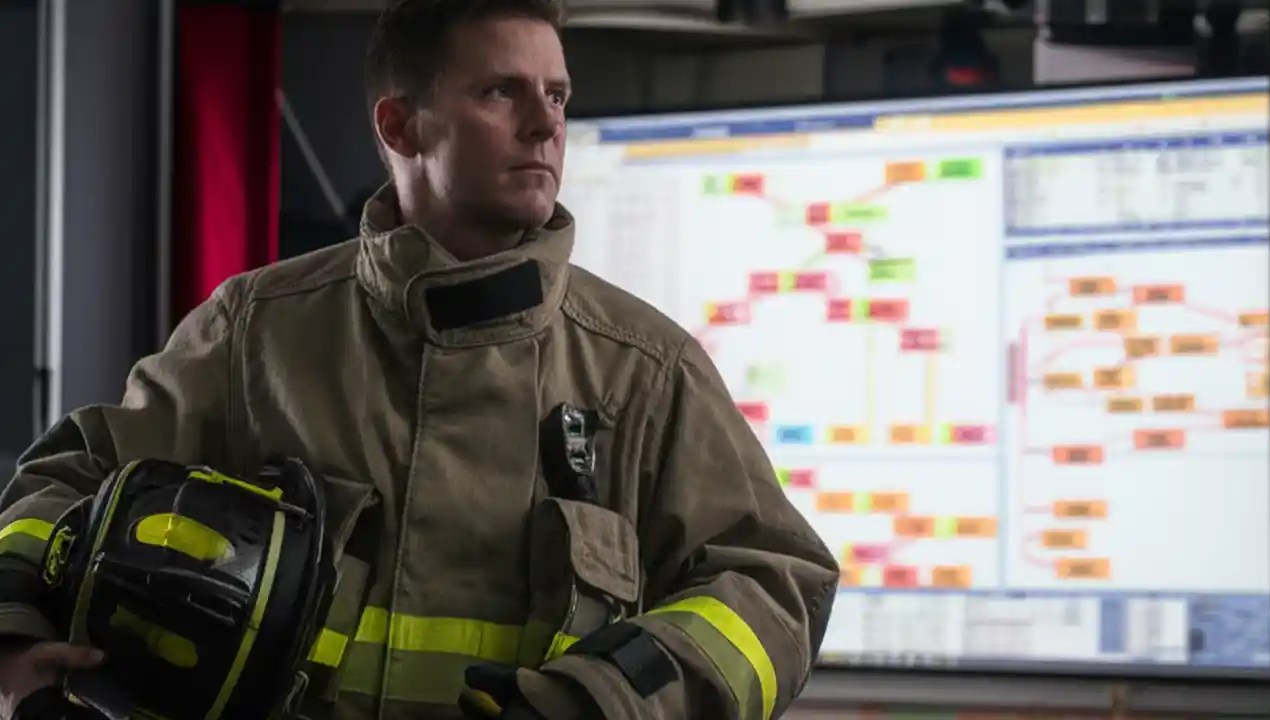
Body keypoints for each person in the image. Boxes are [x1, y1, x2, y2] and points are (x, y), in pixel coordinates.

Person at [0, 0, 839, 717]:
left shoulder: (645, 371)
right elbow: (73, 475)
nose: (546, 123)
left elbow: (778, 586)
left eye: (556, 94)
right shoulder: (258, 333)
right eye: (501, 91)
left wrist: (608, 697)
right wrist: (13, 635)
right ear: (400, 124)